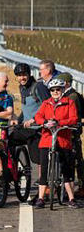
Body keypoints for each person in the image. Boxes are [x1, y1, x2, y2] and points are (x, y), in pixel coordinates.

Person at [33, 78, 78, 208]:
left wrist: (59, 123)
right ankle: (41, 198)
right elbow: (38, 116)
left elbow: (73, 118)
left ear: (63, 90)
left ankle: (71, 198)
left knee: (67, 170)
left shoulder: (69, 102)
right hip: (47, 140)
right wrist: (44, 123)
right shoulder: (46, 103)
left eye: (58, 89)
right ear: (50, 91)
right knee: (45, 169)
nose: (55, 92)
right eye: (53, 90)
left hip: (63, 140)